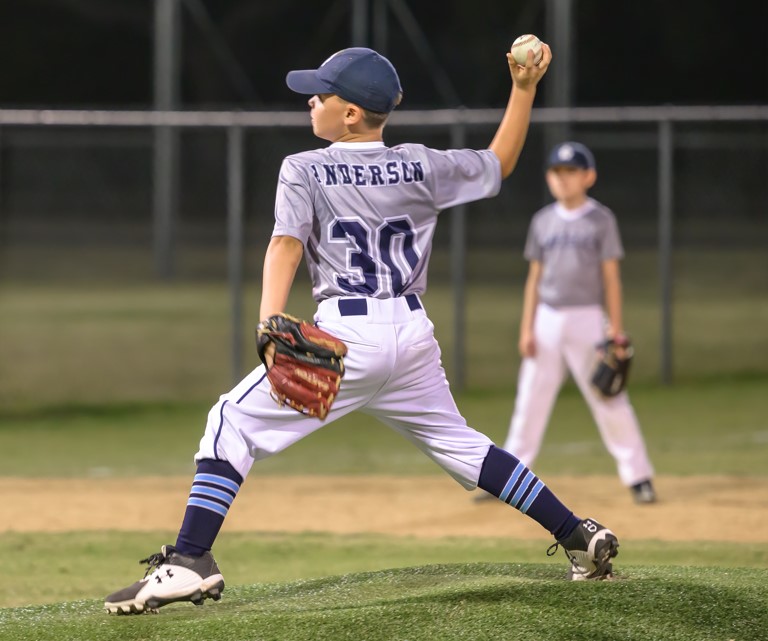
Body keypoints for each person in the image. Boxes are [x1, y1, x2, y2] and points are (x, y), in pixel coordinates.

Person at [104, 45, 620, 615]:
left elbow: (285, 245)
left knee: (229, 420)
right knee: (465, 448)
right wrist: (523, 89)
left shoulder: (305, 167)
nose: (311, 101)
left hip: (350, 338)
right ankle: (578, 536)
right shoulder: (422, 165)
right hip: (413, 335)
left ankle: (190, 561)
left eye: (320, 95)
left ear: (350, 114)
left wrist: (271, 321)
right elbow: (499, 161)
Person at [486, 141, 657, 505]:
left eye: (571, 172)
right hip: (547, 317)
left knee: (608, 396)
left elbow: (611, 278)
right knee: (530, 399)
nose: (562, 179)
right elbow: (534, 277)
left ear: (588, 177)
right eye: (557, 173)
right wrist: (526, 328)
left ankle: (638, 476)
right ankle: (509, 477)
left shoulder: (601, 219)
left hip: (587, 318)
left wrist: (615, 329)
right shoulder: (543, 220)